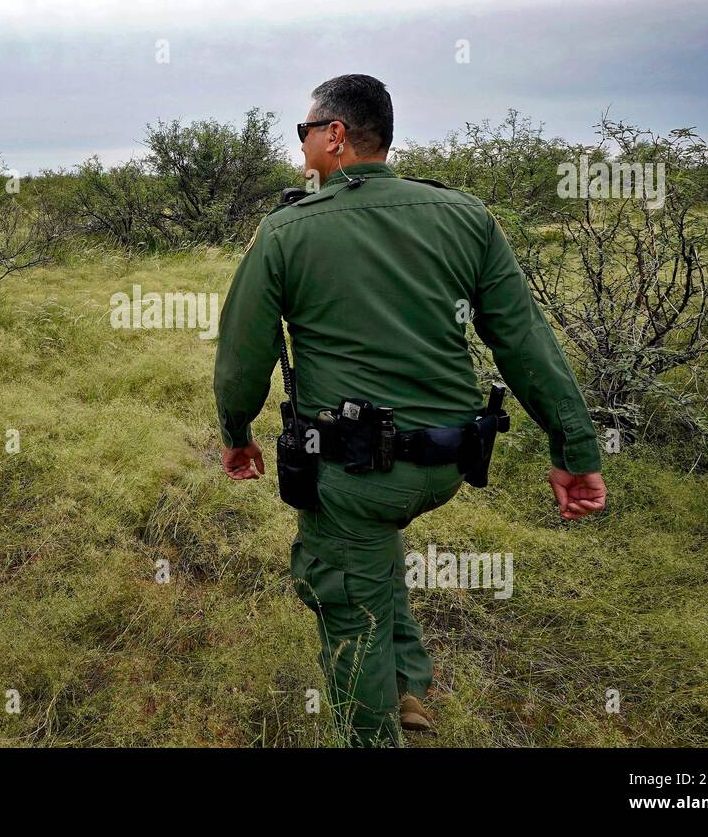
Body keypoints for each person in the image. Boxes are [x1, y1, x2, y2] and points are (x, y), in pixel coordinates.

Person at [213, 74, 607, 746]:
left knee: (348, 608)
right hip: (446, 463)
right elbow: (525, 341)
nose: (302, 143)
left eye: (305, 131)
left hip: (353, 470)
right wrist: (575, 454)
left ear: (335, 134)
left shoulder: (286, 229)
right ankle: (409, 685)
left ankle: (376, 727)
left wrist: (237, 434)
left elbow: (241, 360)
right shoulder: (463, 215)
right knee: (375, 547)